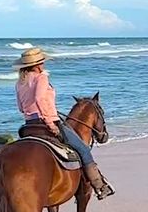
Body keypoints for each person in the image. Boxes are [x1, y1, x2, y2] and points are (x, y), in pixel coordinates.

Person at [14, 47, 114, 199]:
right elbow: (39, 99)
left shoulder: (20, 82)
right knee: (83, 149)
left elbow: (21, 108)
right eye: (42, 62)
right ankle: (100, 186)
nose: (43, 65)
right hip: (47, 121)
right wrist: (50, 122)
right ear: (37, 64)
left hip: (29, 125)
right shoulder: (41, 78)